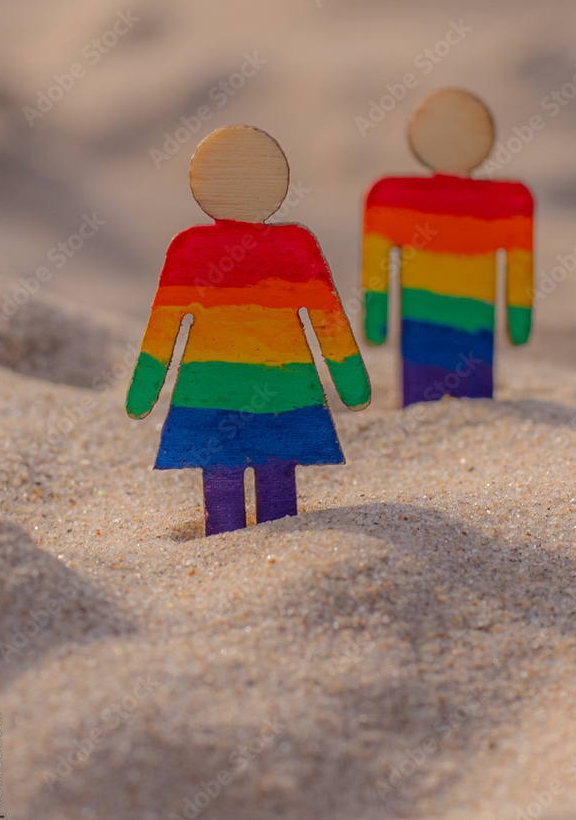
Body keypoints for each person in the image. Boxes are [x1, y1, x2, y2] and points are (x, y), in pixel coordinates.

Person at [127, 125, 370, 535]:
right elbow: (329, 324)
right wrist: (351, 384)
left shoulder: (192, 249)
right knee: (271, 468)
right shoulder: (293, 247)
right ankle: (263, 542)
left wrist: (142, 391)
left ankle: (237, 542)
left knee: (228, 468)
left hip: (210, 396)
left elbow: (161, 332)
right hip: (283, 392)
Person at [361, 88, 534, 405]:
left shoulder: (390, 197)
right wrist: (518, 323)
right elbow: (519, 276)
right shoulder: (508, 202)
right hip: (456, 331)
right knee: (456, 386)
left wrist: (376, 322)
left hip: (433, 330)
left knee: (430, 390)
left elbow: (376, 271)